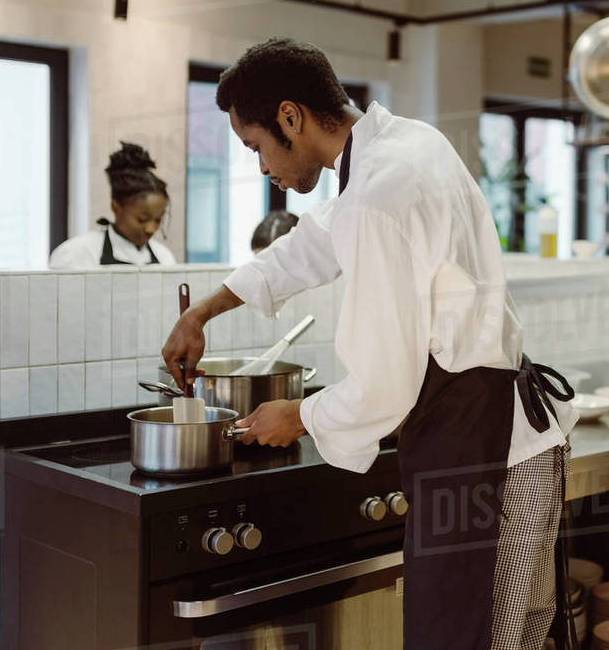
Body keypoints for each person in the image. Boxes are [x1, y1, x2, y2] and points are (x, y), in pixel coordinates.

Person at [161, 38, 577, 650]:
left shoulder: (379, 195)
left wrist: (299, 414)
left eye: (255, 147)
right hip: (497, 440)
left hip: (492, 462)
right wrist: (204, 309)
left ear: (290, 117)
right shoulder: (406, 146)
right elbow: (315, 241)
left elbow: (385, 387)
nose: (260, 168)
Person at [49, 142, 176, 268]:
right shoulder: (74, 254)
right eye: (142, 219)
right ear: (115, 206)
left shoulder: (164, 258)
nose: (151, 229)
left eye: (158, 220)